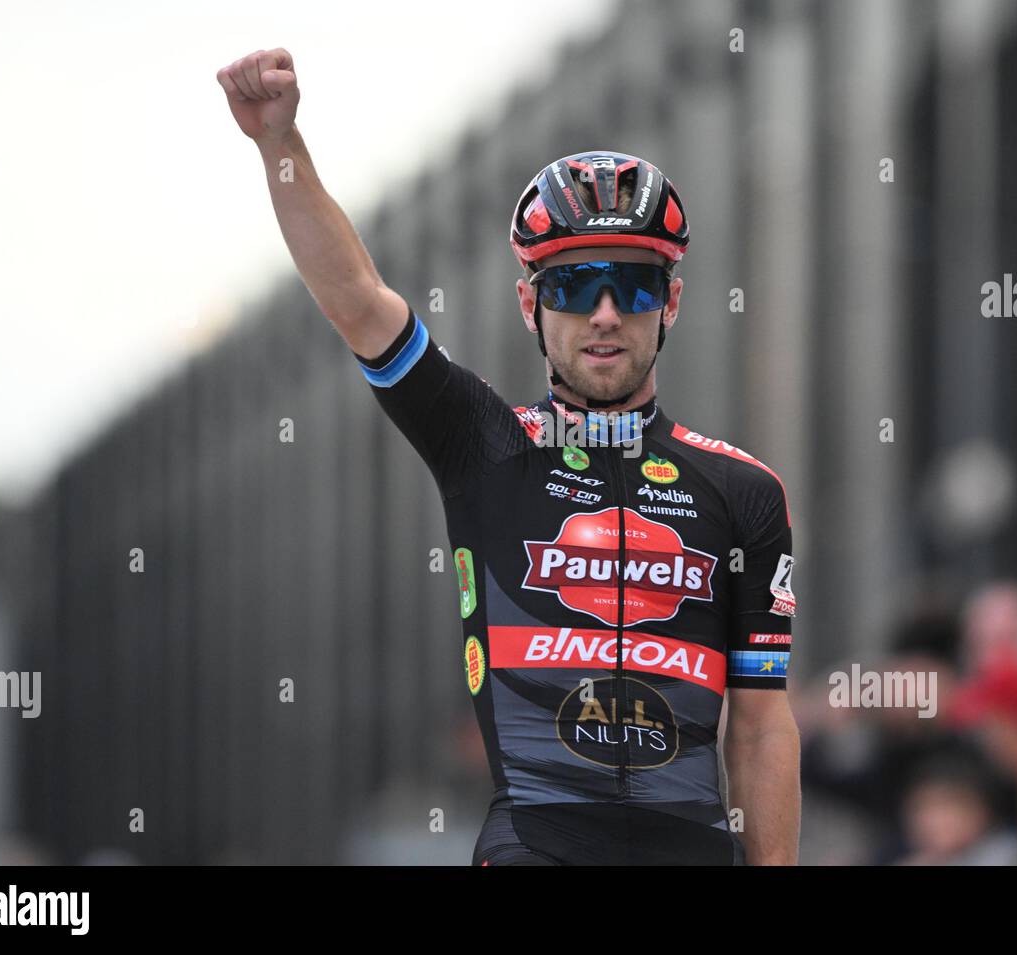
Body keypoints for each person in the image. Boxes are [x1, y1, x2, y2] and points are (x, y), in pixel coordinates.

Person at [218, 48, 801, 865]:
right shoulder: (485, 444)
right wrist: (280, 144)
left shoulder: (744, 491)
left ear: (670, 301)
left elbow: (764, 725)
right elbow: (357, 300)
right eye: (572, 286)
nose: (604, 314)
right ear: (531, 302)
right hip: (538, 841)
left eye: (631, 285)